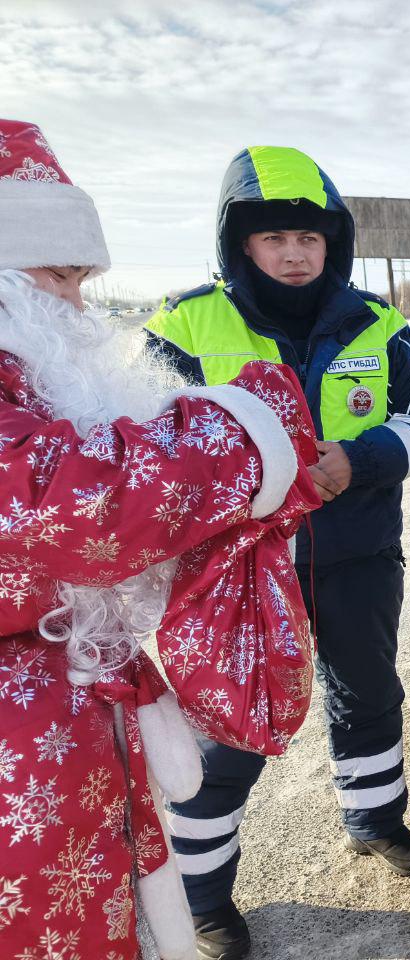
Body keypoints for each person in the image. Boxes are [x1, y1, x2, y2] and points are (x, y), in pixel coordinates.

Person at [0, 121, 318, 959]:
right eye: (58, 274)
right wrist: (247, 430)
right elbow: (65, 504)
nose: (74, 301)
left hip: (60, 729)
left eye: (81, 276)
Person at [145, 145, 410, 958]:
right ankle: (203, 898)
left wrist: (366, 458)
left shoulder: (378, 322)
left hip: (358, 554)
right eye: (274, 237)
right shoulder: (181, 325)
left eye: (309, 239)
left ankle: (374, 820)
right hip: (238, 572)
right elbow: (141, 447)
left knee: (369, 693)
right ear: (239, 243)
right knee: (226, 730)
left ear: (334, 245)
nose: (293, 253)